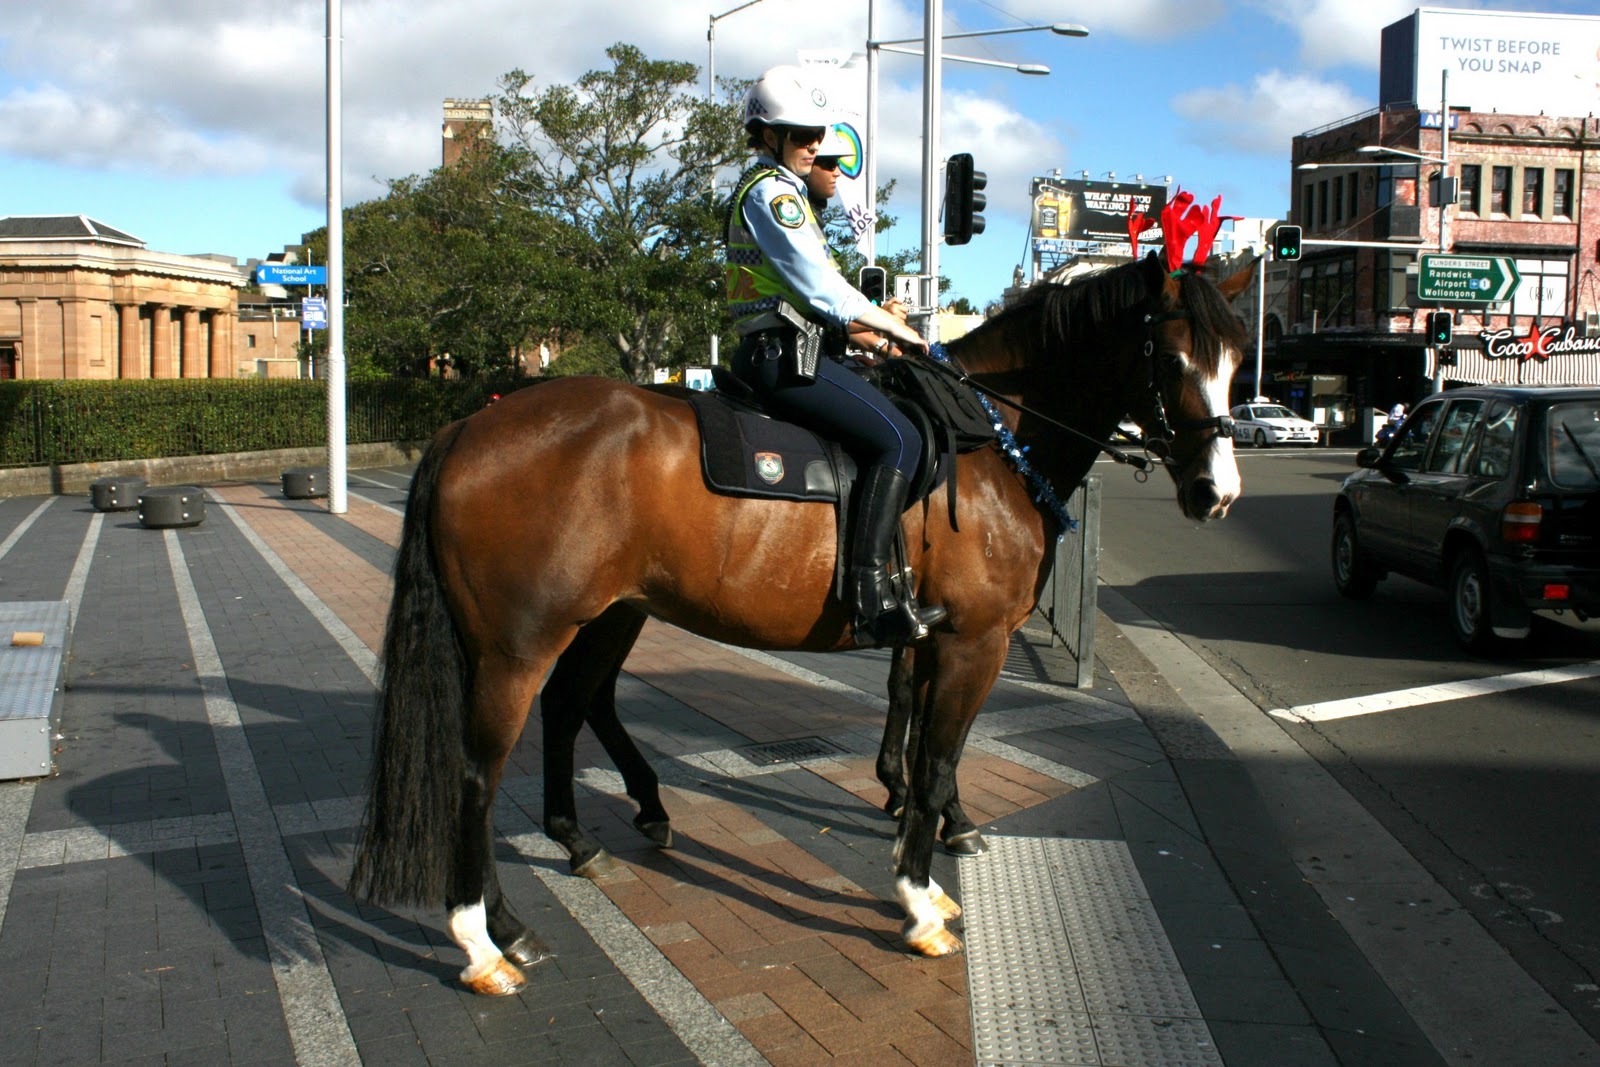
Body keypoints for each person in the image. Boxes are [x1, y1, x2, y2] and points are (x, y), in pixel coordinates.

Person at [726, 65, 944, 647]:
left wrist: (875, 335)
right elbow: (823, 289)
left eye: (817, 134)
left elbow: (812, 301)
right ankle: (871, 595)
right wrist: (899, 330)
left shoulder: (785, 194)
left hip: (796, 348)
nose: (814, 145)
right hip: (781, 360)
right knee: (903, 439)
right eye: (800, 136)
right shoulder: (773, 195)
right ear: (768, 137)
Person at [800, 145, 907, 363]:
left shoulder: (814, 220)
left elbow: (838, 325)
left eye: (838, 164)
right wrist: (884, 316)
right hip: (803, 358)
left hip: (820, 355)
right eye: (829, 164)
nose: (837, 172)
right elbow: (826, 319)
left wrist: (883, 347)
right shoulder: (797, 226)